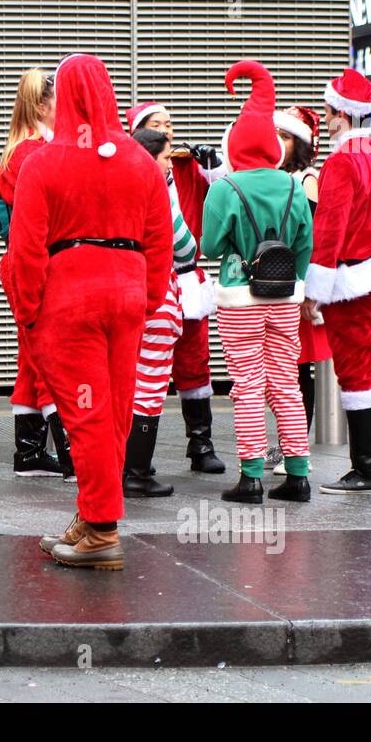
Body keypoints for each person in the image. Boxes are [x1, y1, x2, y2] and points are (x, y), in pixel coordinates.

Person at [10, 54, 173, 570]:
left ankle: (102, 529)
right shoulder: (140, 161)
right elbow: (160, 239)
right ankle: (93, 512)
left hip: (70, 295)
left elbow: (26, 249)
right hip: (126, 295)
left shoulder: (43, 161)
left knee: (85, 415)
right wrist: (146, 298)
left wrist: (27, 311)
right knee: (117, 408)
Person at [201, 61, 313, 504]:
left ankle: (250, 477)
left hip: (238, 295)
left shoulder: (225, 187)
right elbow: (305, 245)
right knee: (286, 382)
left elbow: (210, 245)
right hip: (284, 294)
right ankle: (298, 474)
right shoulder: (293, 187)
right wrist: (294, 279)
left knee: (247, 385)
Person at [304, 68, 371, 496]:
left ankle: (367, 468)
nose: (326, 120)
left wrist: (314, 291)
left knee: (356, 370)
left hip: (351, 279)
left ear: (339, 114)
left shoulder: (342, 161)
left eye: (328, 111)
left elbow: (329, 230)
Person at [127, 101, 228, 474]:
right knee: (147, 371)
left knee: (195, 360)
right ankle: (137, 460)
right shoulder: (140, 168)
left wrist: (214, 165)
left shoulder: (186, 163)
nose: (168, 129)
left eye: (170, 123)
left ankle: (201, 443)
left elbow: (226, 191)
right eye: (158, 123)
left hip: (187, 277)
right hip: (154, 277)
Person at [0, 68, 73, 479]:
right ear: (43, 106)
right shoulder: (36, 153)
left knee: (31, 356)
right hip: (36, 262)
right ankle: (68, 450)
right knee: (49, 357)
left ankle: (28, 453)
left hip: (25, 260)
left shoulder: (20, 151)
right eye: (59, 101)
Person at [118, 124, 197, 499]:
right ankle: (137, 471)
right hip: (157, 296)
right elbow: (185, 246)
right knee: (149, 385)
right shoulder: (158, 190)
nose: (171, 164)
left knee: (127, 383)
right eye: (167, 157)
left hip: (124, 296)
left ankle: (126, 465)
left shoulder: (118, 185)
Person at [273, 105, 332, 472]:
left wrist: (310, 289)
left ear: (301, 143)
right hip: (277, 281)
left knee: (297, 369)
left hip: (297, 282)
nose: (279, 142)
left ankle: (295, 448)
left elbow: (310, 234)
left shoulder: (307, 177)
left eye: (286, 136)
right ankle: (284, 446)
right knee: (278, 369)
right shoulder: (276, 175)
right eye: (276, 135)